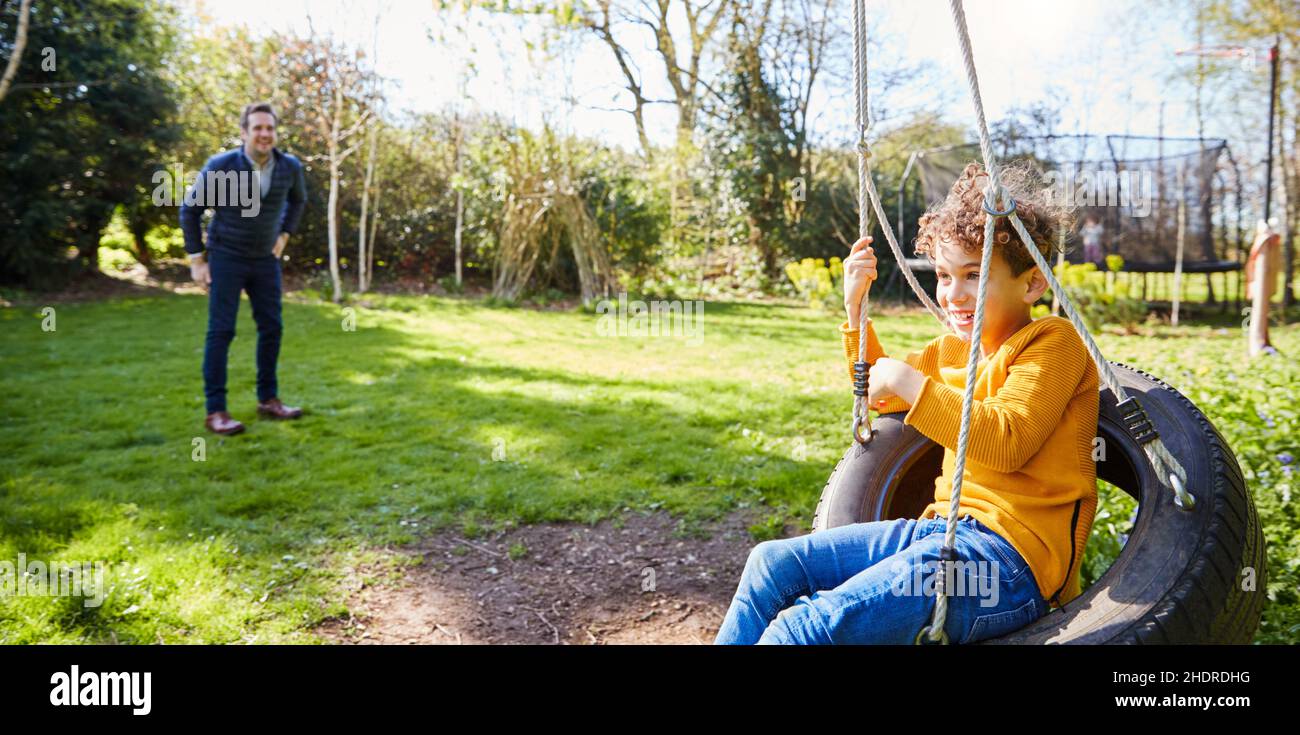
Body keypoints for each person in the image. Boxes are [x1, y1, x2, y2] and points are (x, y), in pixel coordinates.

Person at [715, 162, 1100, 644]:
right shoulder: (950, 351)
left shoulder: (1052, 342)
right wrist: (855, 310)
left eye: (972, 277)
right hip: (940, 534)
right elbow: (877, 390)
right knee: (771, 564)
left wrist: (915, 385)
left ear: (1032, 284)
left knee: (806, 628)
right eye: (943, 275)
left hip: (1008, 565)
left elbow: (1009, 441)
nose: (953, 295)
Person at [180, 102, 309, 435]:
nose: (265, 134)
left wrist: (284, 235)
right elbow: (189, 210)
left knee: (272, 328)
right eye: (258, 128)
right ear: (244, 133)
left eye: (270, 128)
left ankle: (268, 400)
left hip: (265, 260)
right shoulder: (221, 166)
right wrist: (197, 261)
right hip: (227, 257)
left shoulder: (289, 167)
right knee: (221, 332)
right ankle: (216, 412)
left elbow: (299, 200)